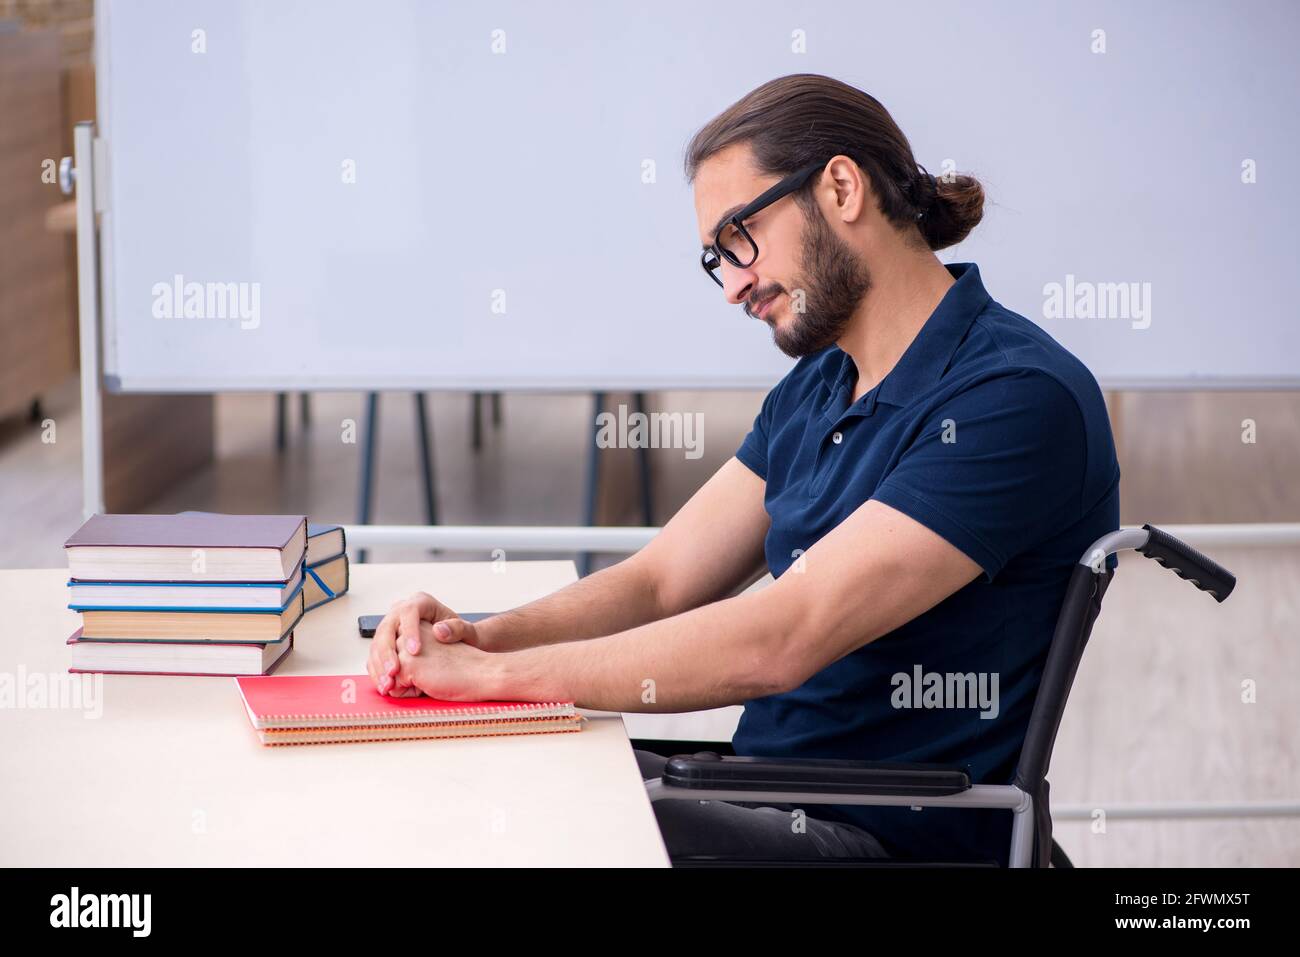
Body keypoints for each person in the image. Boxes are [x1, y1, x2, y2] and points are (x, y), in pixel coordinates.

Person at [366, 74, 1120, 865]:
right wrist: (475, 641)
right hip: (761, 797)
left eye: (740, 237)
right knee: (484, 767)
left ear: (839, 187)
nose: (732, 285)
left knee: (532, 816)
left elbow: (780, 637)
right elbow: (661, 580)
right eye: (715, 258)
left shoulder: (1016, 399)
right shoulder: (822, 382)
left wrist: (495, 680)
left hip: (884, 838)